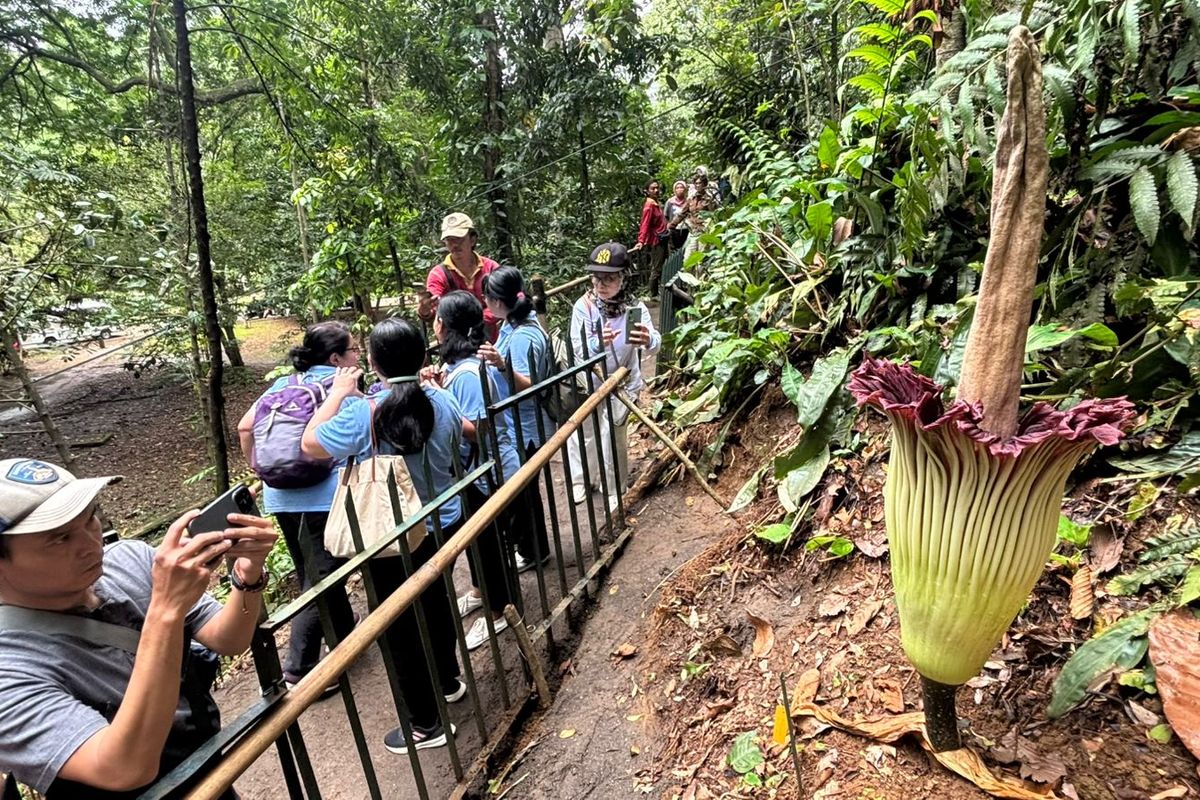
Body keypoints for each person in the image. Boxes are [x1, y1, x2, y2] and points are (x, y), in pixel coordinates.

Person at [0, 458, 277, 798]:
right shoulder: (9, 670)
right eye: (59, 538)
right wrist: (166, 608)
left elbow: (229, 639)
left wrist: (248, 574)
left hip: (208, 775)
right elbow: (122, 767)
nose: (90, 544)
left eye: (90, 520)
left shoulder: (130, 560)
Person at [299, 319, 466, 755]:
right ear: (424, 357)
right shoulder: (442, 399)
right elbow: (456, 449)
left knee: (397, 626)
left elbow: (310, 444)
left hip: (388, 538)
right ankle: (447, 681)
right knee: (434, 602)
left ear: (372, 363)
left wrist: (337, 395)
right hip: (435, 523)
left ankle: (425, 725)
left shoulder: (366, 412)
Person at [236, 321, 361, 691]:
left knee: (313, 568)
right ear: (336, 357)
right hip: (324, 495)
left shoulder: (283, 385)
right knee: (318, 578)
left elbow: (245, 428)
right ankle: (299, 670)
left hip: (281, 496)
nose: (358, 355)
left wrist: (261, 467)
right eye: (352, 350)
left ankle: (344, 636)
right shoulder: (342, 389)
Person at [431, 291, 523, 650]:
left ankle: (501, 611)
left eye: (438, 318)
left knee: (489, 543)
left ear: (445, 326)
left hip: (486, 472)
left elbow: (480, 427)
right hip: (474, 470)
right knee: (477, 540)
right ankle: (481, 591)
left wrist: (440, 407)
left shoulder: (469, 372)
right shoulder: (460, 368)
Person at [567, 243, 661, 510]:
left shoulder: (635, 308)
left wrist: (647, 339)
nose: (601, 284)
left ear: (623, 277)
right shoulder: (583, 307)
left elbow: (655, 342)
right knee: (584, 433)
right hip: (590, 381)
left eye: (609, 278)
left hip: (622, 382)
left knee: (613, 435)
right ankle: (580, 481)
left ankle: (614, 489)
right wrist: (597, 343)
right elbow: (577, 347)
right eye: (597, 277)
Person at [477, 266, 555, 573]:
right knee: (525, 492)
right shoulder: (512, 325)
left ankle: (533, 551)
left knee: (524, 494)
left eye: (487, 297)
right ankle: (533, 549)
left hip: (527, 429)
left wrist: (501, 365)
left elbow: (530, 385)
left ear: (497, 301)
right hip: (518, 426)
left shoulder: (523, 336)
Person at [418, 212, 502, 341]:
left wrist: (470, 320)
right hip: (456, 347)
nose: (454, 244)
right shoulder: (438, 274)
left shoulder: (490, 267)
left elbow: (503, 301)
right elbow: (436, 313)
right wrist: (424, 310)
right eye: (449, 240)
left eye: (459, 239)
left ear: (472, 239)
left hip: (492, 342)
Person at [631, 180, 668, 295]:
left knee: (663, 266)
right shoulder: (649, 206)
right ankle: (654, 295)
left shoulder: (656, 203)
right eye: (653, 189)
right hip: (657, 240)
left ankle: (662, 292)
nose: (656, 190)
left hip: (663, 238)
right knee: (656, 268)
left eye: (657, 188)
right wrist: (641, 241)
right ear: (647, 191)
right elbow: (645, 224)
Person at [681, 168, 722, 262]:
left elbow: (714, 213)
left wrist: (710, 201)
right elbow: (682, 212)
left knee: (701, 257)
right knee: (688, 258)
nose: (698, 185)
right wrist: (672, 224)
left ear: (704, 184)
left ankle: (700, 276)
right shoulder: (691, 198)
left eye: (700, 183)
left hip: (704, 229)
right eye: (696, 183)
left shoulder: (709, 197)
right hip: (693, 230)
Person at [664, 179, 689, 251]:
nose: (679, 189)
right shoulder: (670, 202)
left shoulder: (688, 201)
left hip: (686, 229)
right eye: (677, 188)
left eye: (681, 187)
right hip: (674, 229)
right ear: (674, 190)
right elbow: (666, 216)